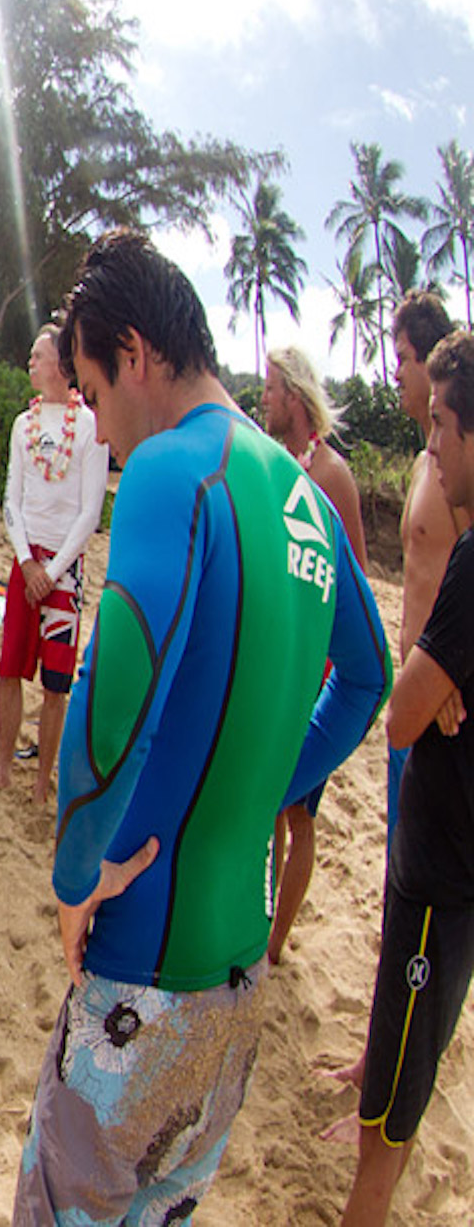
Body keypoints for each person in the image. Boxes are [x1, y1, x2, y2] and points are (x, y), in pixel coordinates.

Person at [12, 228, 388, 1226]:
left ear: (135, 353)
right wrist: (262, 788)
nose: (98, 429)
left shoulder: (174, 468)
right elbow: (367, 676)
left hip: (140, 981)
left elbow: (112, 693)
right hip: (236, 989)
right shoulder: (303, 494)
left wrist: (72, 877)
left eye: (95, 393)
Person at [335, 328, 474, 1227]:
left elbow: (401, 715)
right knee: (398, 1092)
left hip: (441, 872)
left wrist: (432, 679)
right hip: (449, 867)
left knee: (382, 1135)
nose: (431, 448)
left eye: (440, 427)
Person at [261, 344, 366, 965]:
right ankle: (260, 916)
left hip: (316, 673)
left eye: (272, 388)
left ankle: (276, 943)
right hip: (280, 663)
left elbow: (354, 584)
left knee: (299, 809)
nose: (264, 398)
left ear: (295, 397)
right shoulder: (277, 465)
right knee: (269, 799)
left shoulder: (331, 475)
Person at [0, 325, 109, 803]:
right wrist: (27, 562)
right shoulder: (24, 423)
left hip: (65, 569)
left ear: (61, 365)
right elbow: (11, 500)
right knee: (9, 669)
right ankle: (3, 768)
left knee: (56, 682)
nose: (30, 363)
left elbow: (90, 511)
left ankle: (43, 781)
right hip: (26, 562)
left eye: (37, 356)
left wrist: (54, 570)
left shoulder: (90, 426)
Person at [387, 291, 466, 843]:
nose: (395, 374)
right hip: (419, 697)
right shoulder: (426, 465)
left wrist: (453, 671)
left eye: (402, 358)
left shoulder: (456, 476)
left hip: (445, 710)